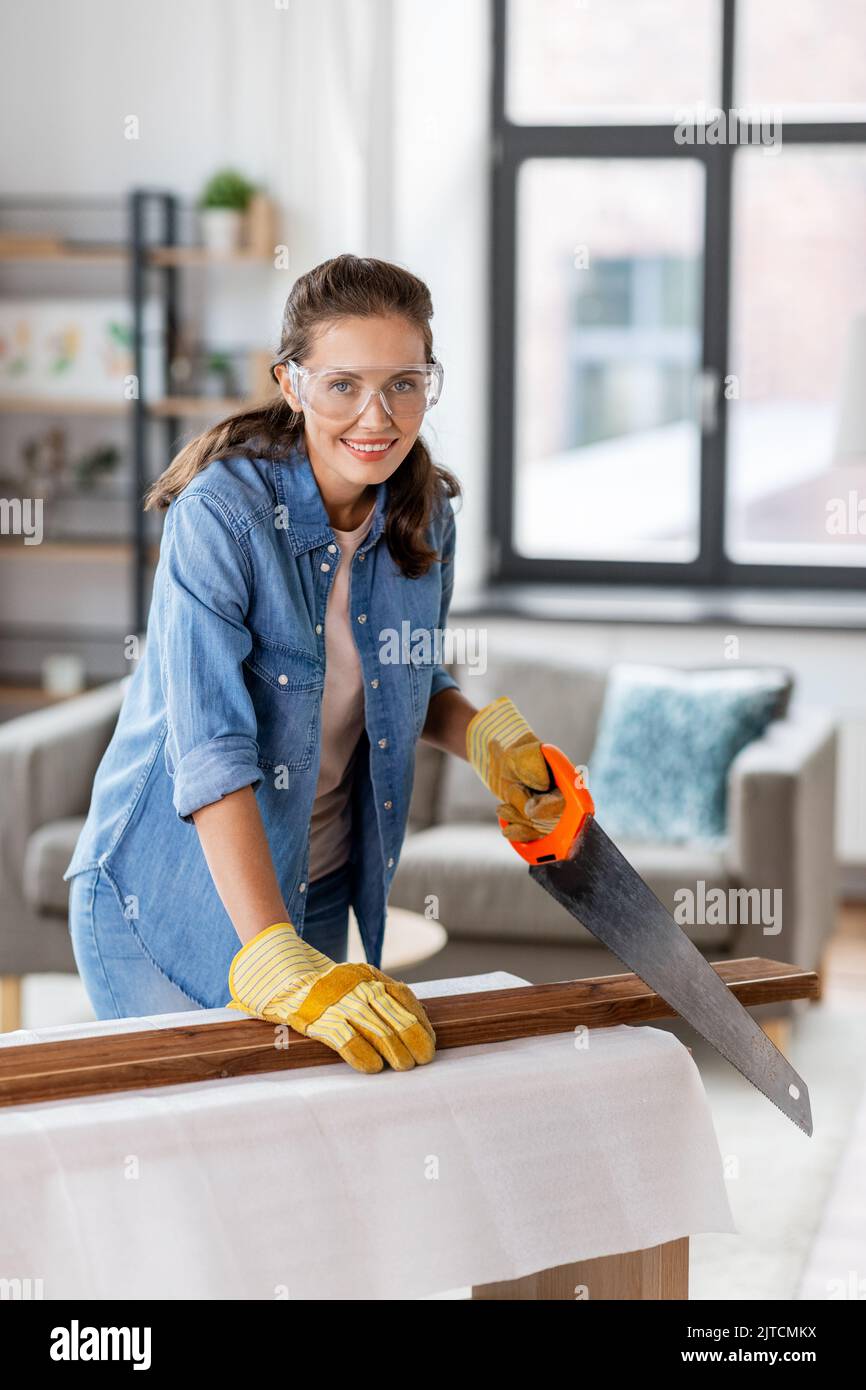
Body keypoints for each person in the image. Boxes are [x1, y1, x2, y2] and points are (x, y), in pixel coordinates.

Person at [64, 254, 565, 1073]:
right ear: (292, 384)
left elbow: (404, 679)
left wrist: (484, 740)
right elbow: (211, 748)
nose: (378, 415)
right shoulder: (219, 518)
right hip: (161, 902)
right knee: (196, 1159)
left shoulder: (427, 514)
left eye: (405, 383)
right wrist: (269, 950)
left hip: (316, 883)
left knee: (300, 1156)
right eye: (344, 385)